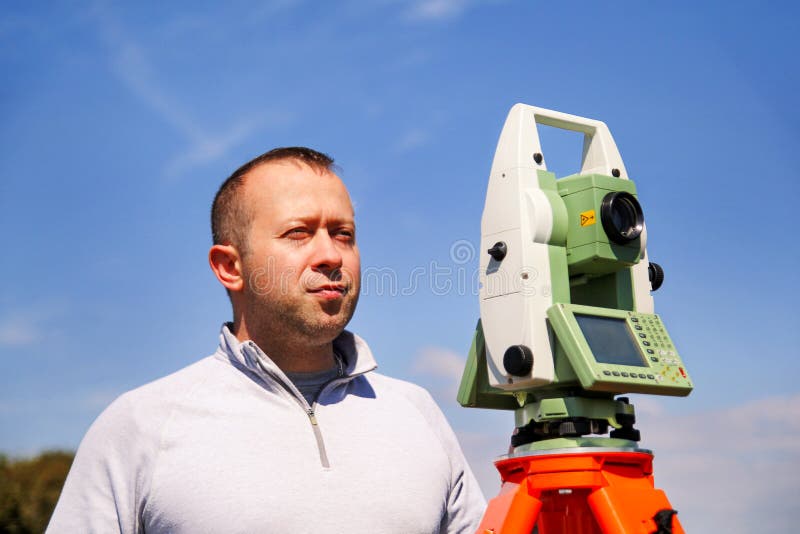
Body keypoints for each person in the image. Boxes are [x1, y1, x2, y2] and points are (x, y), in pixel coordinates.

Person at [47, 147, 486, 533]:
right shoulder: (140, 426)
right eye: (299, 233)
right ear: (229, 267)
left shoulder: (417, 413)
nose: (332, 255)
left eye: (343, 234)